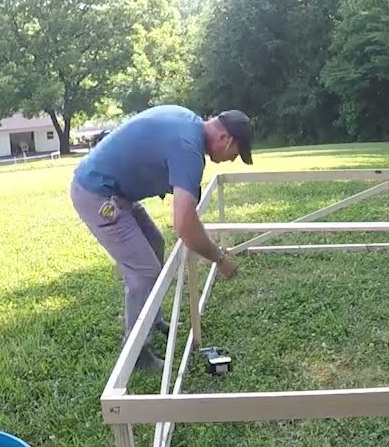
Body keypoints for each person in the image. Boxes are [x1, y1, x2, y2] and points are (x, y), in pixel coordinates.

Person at [69, 105, 253, 371]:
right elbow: (184, 226)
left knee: (155, 243)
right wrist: (219, 259)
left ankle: (151, 319)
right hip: (98, 194)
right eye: (236, 154)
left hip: (117, 193)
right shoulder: (189, 148)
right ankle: (135, 352)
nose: (231, 159)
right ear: (226, 139)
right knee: (145, 273)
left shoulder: (187, 122)